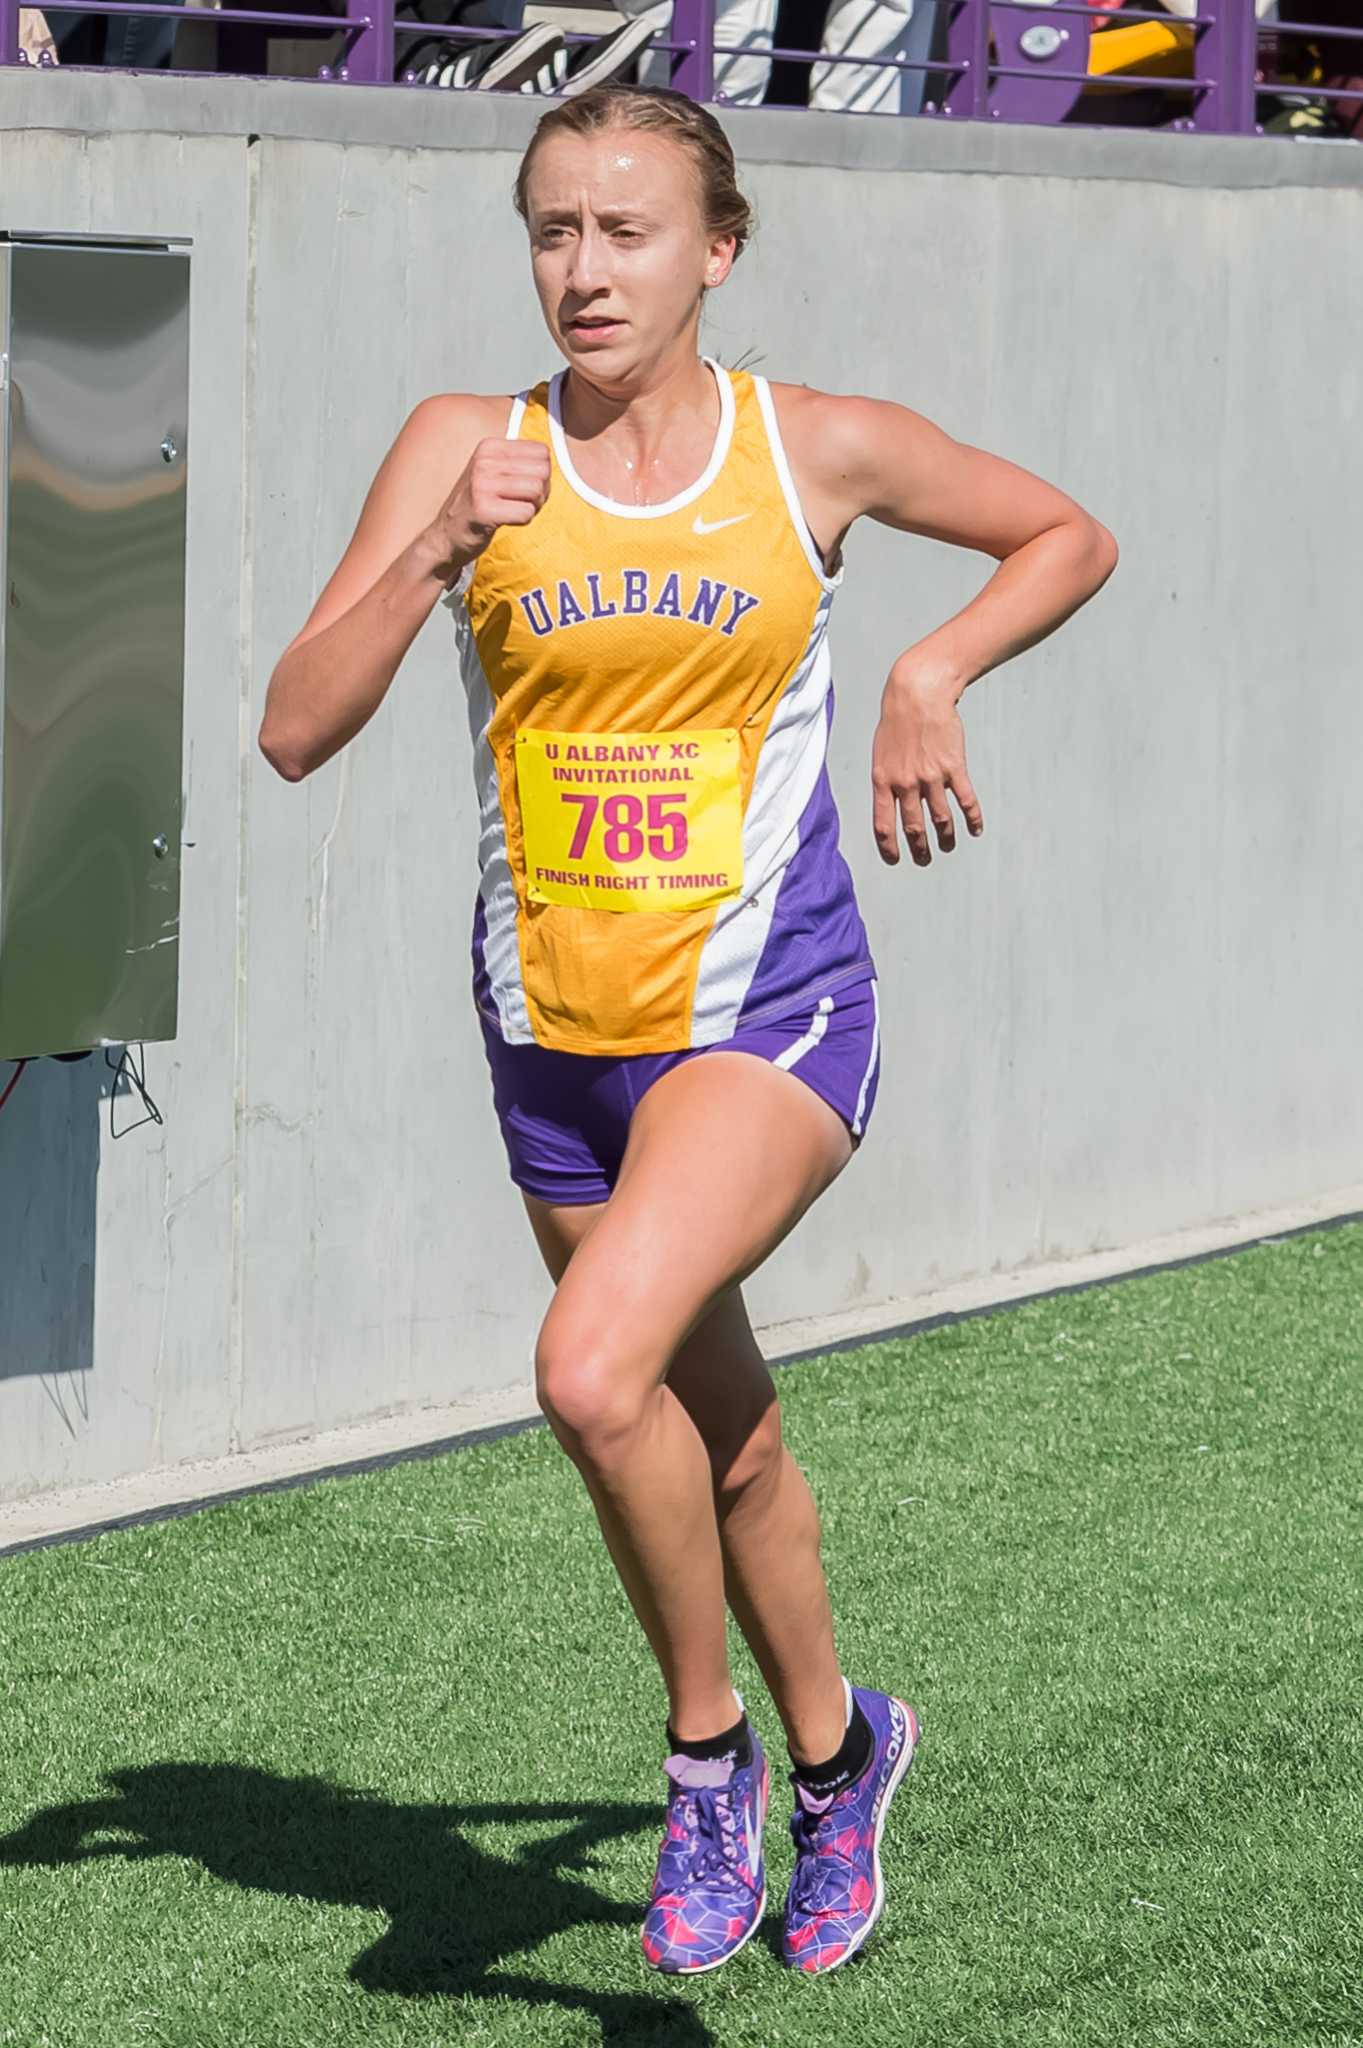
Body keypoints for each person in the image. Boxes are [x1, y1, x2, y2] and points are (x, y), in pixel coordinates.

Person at [258, 83, 1117, 1976]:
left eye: (628, 232)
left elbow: (1065, 533)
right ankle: (844, 1753)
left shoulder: (806, 446)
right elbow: (293, 722)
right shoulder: (458, 448)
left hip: (768, 1018)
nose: (585, 271)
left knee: (586, 1371)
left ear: (716, 250)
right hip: (553, 1033)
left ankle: (706, 1763)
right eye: (553, 231)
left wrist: (928, 666)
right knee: (708, 1438)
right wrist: (429, 557)